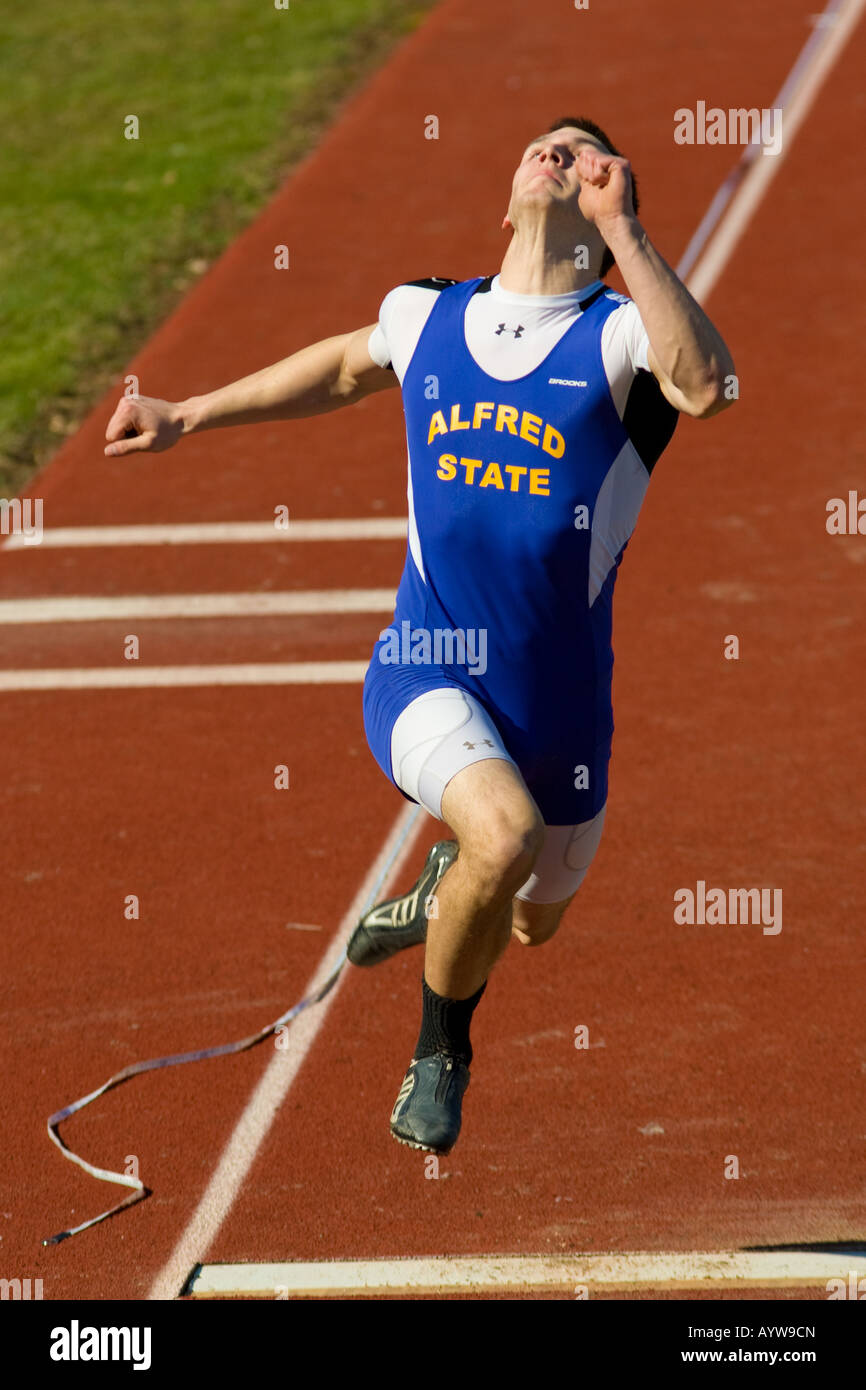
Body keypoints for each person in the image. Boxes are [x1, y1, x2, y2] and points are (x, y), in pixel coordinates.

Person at [104, 116, 736, 1158]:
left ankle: (446, 887)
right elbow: (343, 369)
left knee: (530, 916)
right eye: (543, 144)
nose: (558, 154)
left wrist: (624, 235)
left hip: (560, 703)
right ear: (505, 198)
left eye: (584, 154)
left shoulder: (619, 337)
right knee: (504, 836)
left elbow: (705, 388)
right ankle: (441, 1051)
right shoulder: (425, 314)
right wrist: (190, 413)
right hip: (424, 666)